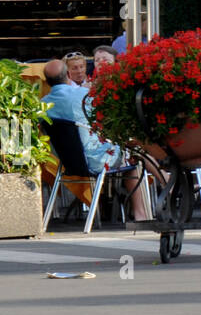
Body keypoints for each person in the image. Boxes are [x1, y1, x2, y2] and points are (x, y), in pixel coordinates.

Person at [43, 58, 152, 221]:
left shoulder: (43, 105)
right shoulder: (84, 95)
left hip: (66, 164)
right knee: (135, 152)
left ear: (47, 81)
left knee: (128, 152)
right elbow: (108, 118)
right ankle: (141, 213)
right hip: (96, 160)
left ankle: (165, 184)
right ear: (68, 74)